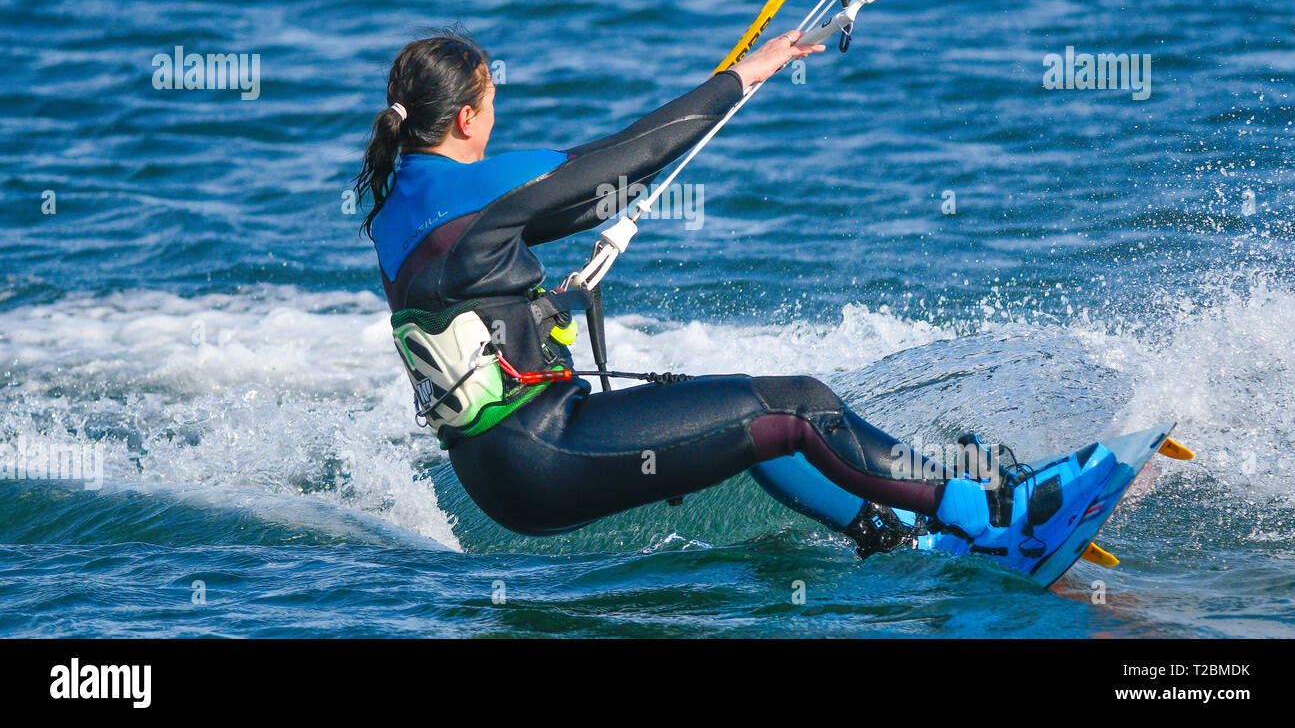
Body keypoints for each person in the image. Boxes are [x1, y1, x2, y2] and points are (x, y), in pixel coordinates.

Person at [355, 27, 997, 553]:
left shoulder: (392, 214)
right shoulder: (482, 187)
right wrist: (744, 76)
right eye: (492, 106)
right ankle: (988, 512)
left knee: (749, 422)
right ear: (467, 116)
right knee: (801, 406)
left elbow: (589, 198)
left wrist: (648, 169)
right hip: (548, 447)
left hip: (497, 481)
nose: (495, 121)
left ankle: (891, 538)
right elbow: (630, 151)